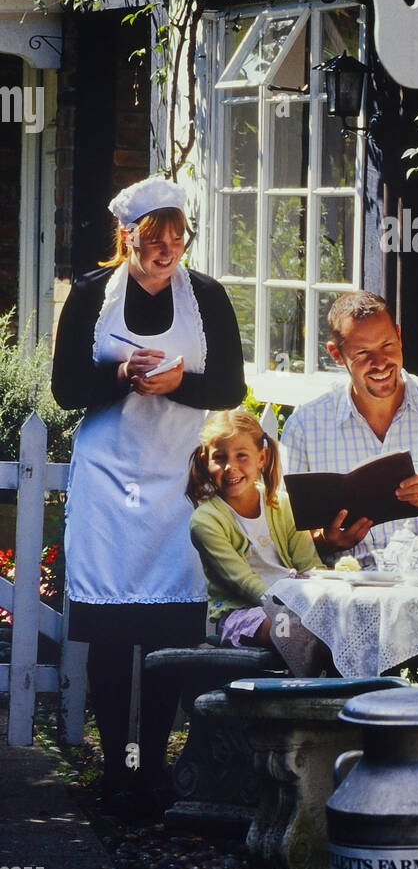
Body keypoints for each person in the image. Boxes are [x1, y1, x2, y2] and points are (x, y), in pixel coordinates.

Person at [52, 175, 245, 816]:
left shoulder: (207, 296)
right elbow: (64, 389)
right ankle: (117, 768)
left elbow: (230, 387)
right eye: (153, 238)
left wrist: (177, 384)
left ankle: (156, 767)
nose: (166, 250)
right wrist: (120, 375)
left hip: (179, 476)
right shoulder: (90, 294)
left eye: (176, 237)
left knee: (167, 626)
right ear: (127, 236)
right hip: (110, 474)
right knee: (112, 628)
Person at [280, 291, 418, 566]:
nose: (380, 362)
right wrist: (327, 541)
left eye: (387, 346)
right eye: (363, 353)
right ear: (336, 354)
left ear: (399, 336)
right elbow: (285, 534)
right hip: (345, 582)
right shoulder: (304, 425)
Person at [188, 409, 327, 673]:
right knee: (288, 629)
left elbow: (309, 565)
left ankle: (344, 687)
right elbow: (242, 581)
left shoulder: (282, 505)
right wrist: (287, 607)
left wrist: (323, 601)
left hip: (296, 602)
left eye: (242, 456)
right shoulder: (206, 520)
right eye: (220, 457)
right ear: (206, 461)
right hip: (245, 612)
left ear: (261, 458)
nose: (230, 467)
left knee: (336, 623)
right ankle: (305, 687)